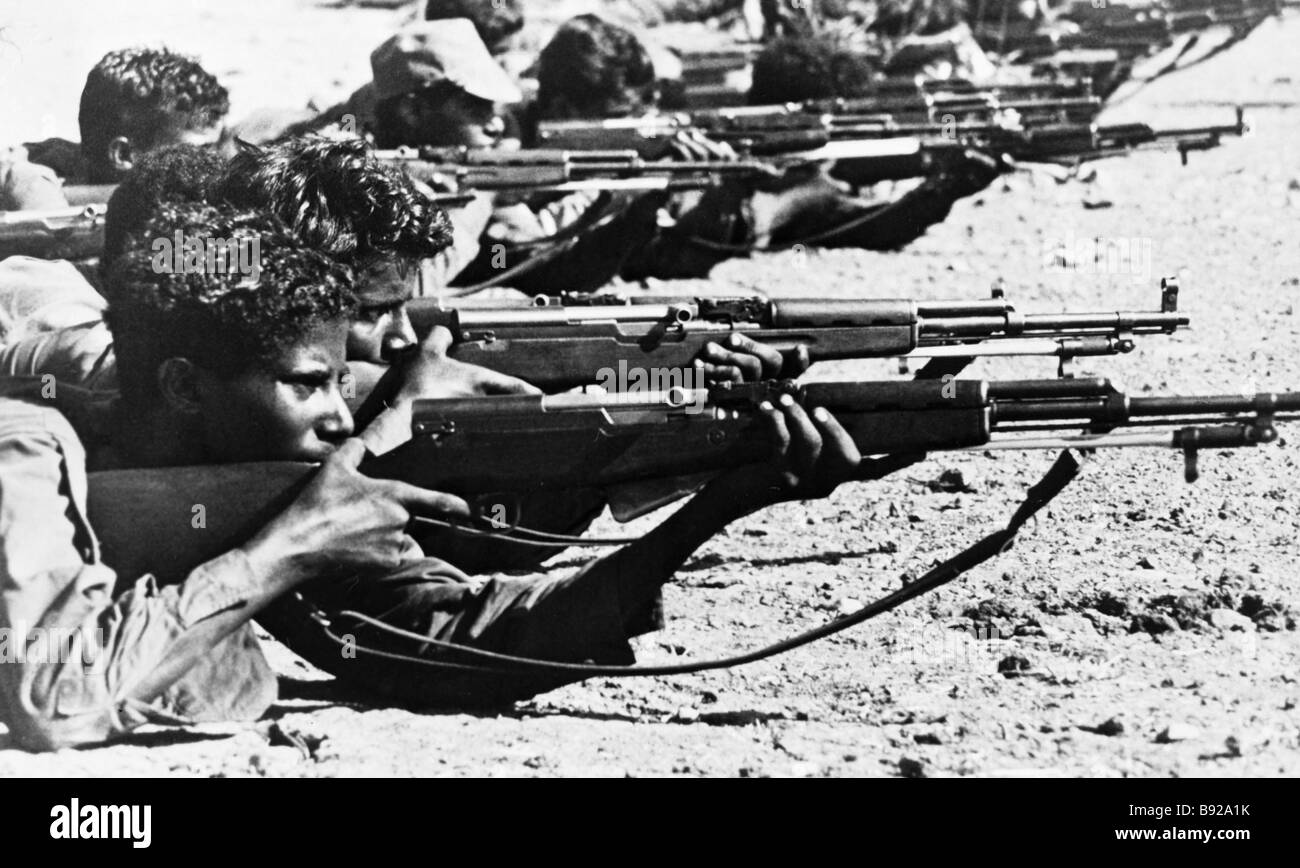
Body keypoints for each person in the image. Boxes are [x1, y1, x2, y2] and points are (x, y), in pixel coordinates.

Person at [0, 200, 880, 750]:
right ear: (186, 387)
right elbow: (54, 696)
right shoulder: (31, 438)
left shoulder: (261, 474)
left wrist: (715, 505)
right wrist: (283, 550)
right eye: (314, 383)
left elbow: (455, 644)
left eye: (345, 377)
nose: (347, 415)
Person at [1, 48, 229, 211]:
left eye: (214, 149)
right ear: (124, 155)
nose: (214, 165)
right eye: (198, 153)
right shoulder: (30, 181)